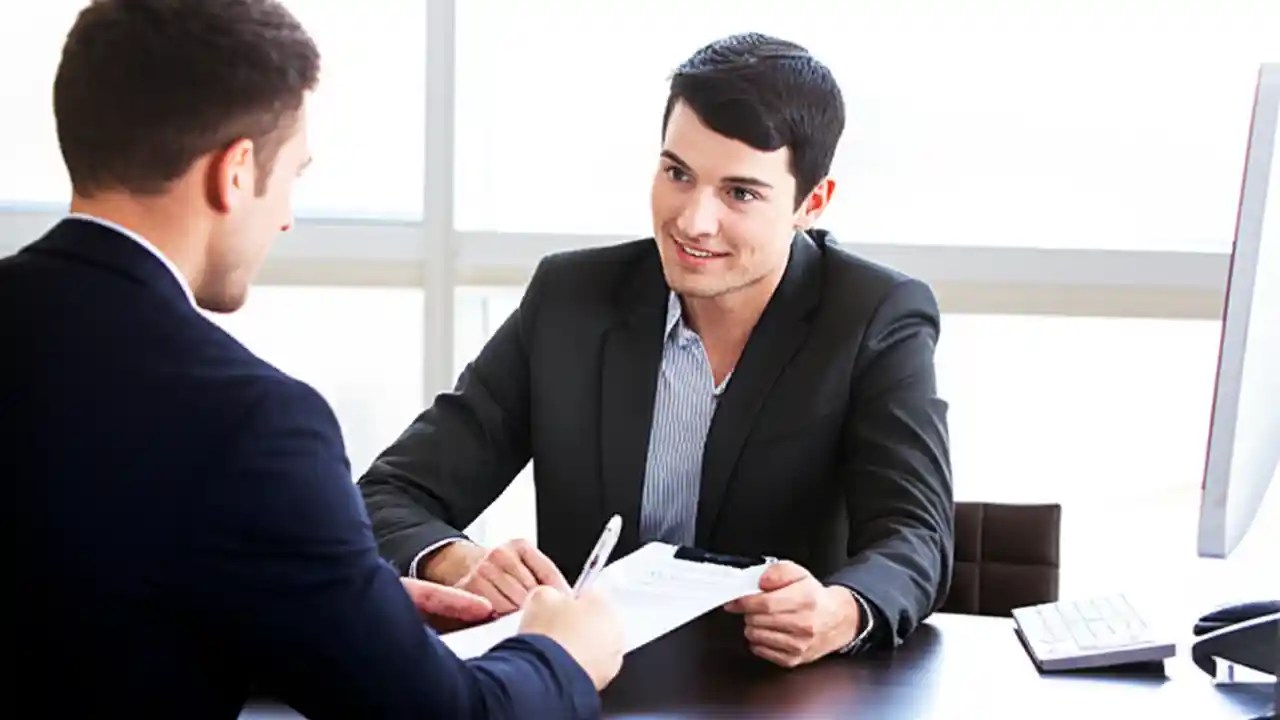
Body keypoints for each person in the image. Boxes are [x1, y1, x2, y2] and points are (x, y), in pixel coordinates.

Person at [4, 1, 623, 717]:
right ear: (235, 173)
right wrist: (560, 657)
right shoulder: (252, 423)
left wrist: (338, 603)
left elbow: (88, 589)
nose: (288, 216)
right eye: (291, 174)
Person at [359, 32, 955, 668]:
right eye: (678, 174)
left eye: (740, 193)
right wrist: (461, 562)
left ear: (811, 203)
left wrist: (842, 609)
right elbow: (388, 494)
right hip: (586, 684)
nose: (694, 221)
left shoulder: (872, 316)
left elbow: (915, 535)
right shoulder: (570, 300)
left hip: (773, 692)